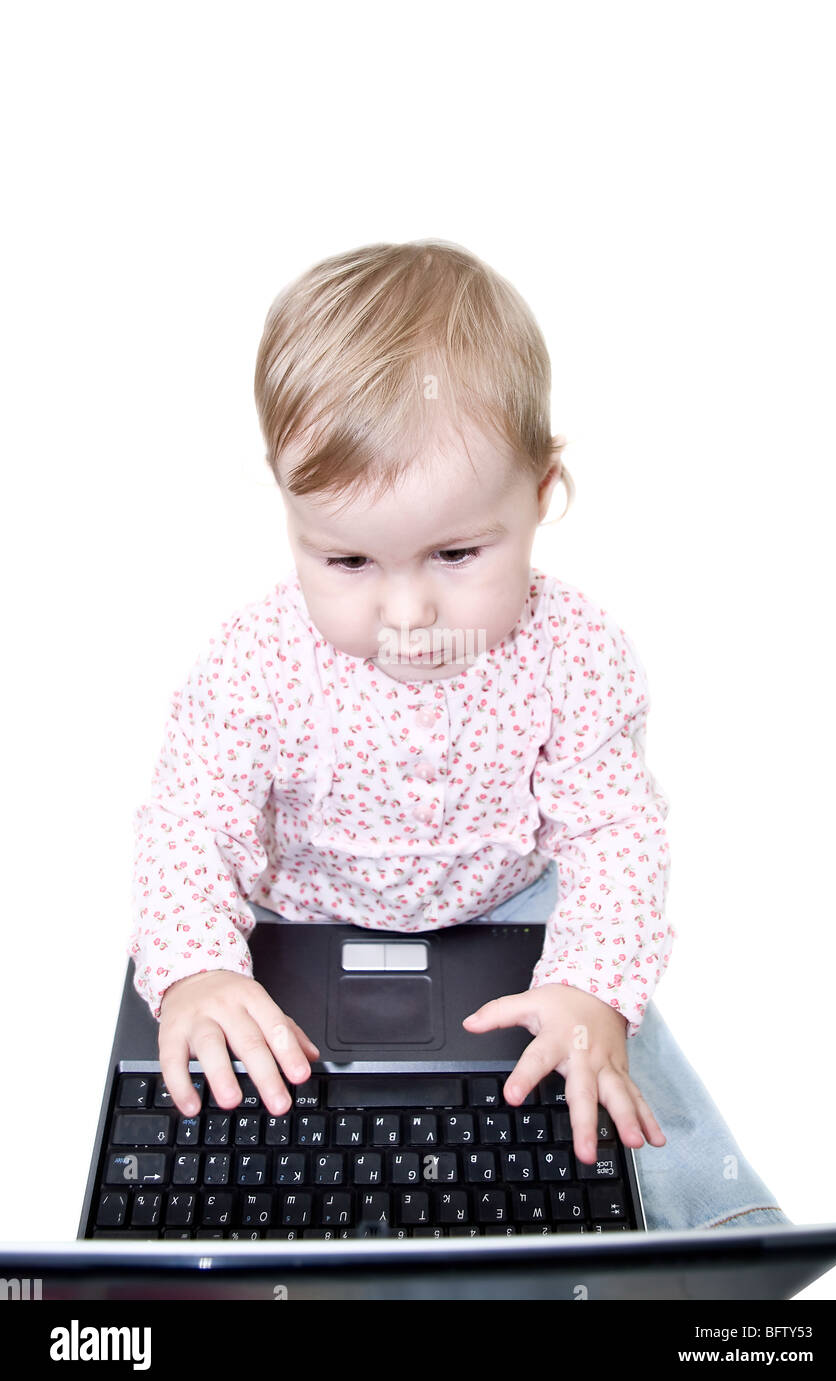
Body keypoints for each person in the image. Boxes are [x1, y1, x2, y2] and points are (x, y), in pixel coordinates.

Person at [129, 239, 790, 1231]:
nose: (406, 610)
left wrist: (585, 989)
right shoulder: (255, 658)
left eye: (453, 553)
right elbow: (189, 819)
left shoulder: (575, 652)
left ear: (539, 494)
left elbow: (611, 836)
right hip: (306, 917)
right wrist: (198, 969)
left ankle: (706, 1229)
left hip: (509, 908)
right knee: (239, 1069)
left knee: (612, 1050)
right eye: (346, 558)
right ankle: (253, 1222)